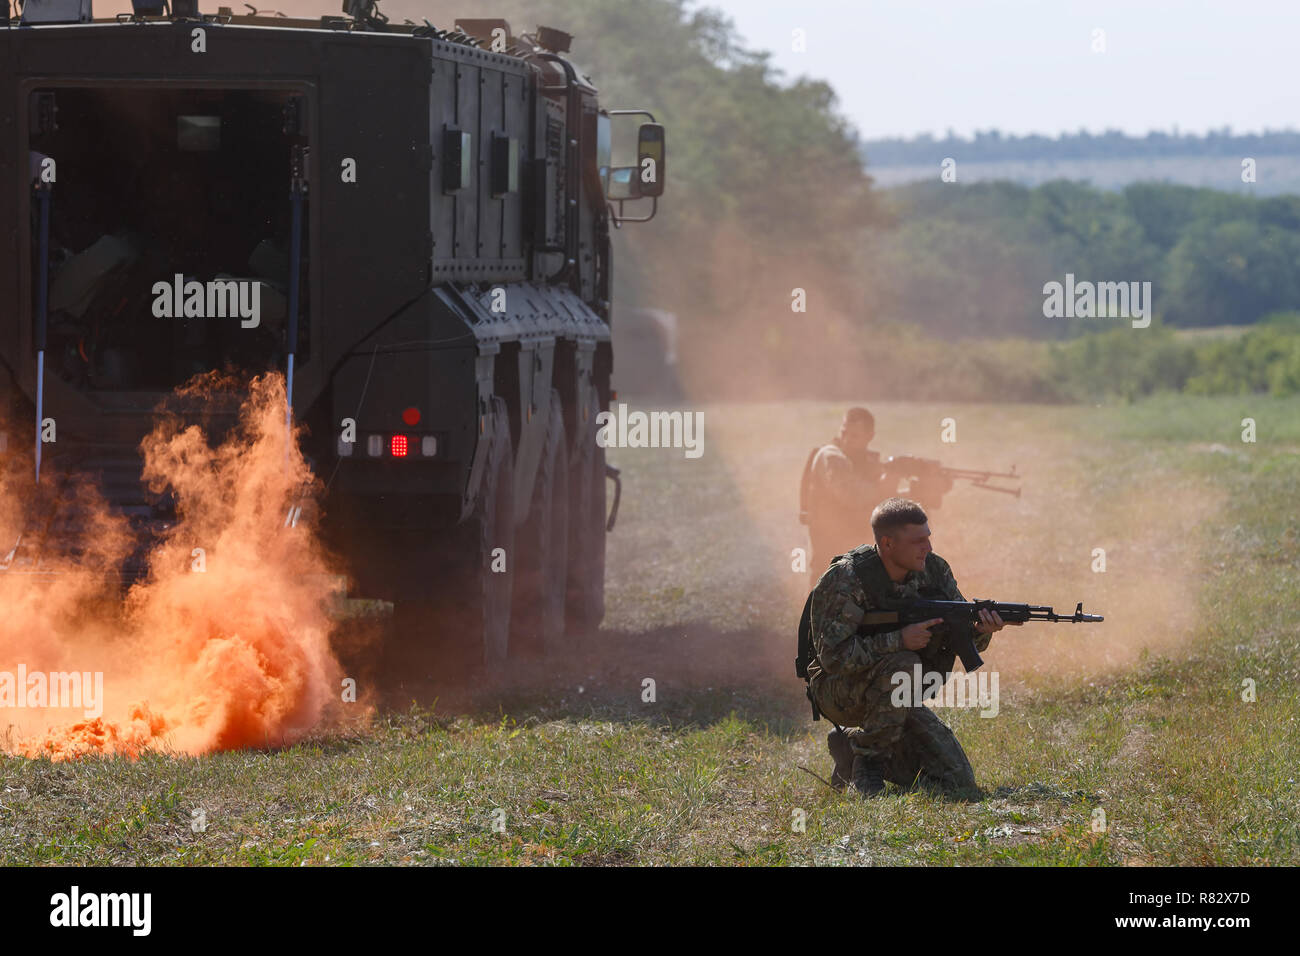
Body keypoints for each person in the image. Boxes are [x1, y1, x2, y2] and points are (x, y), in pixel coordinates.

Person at [805, 497, 1019, 798]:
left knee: (958, 782)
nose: (927, 548)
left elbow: (962, 630)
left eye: (928, 538)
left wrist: (981, 630)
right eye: (917, 541)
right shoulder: (846, 579)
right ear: (888, 544)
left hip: (900, 693)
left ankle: (850, 749)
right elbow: (833, 658)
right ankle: (868, 767)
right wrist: (899, 640)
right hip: (838, 690)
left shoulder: (934, 570)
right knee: (903, 663)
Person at [799, 407, 891, 587]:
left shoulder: (866, 462)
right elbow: (852, 495)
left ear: (870, 436)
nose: (847, 439)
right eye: (844, 432)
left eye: (855, 436)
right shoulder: (831, 456)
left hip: (853, 550)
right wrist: (885, 486)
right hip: (829, 551)